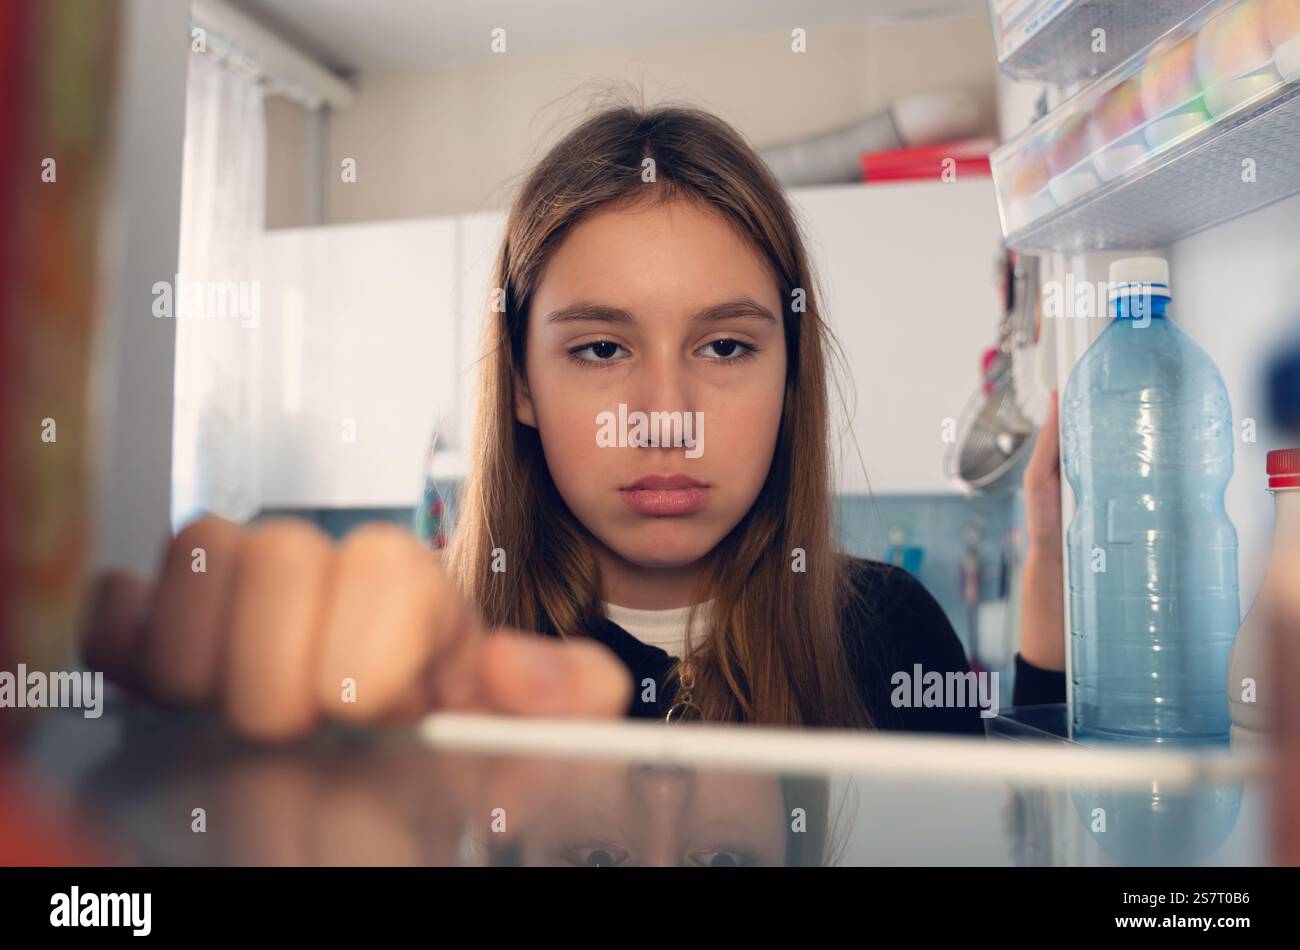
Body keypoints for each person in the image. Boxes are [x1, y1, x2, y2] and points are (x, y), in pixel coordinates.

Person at [83, 103, 1066, 741]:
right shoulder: (424, 657)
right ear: (520, 381)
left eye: (725, 346)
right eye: (600, 349)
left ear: (790, 377)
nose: (666, 420)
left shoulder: (889, 633)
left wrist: (1052, 600)